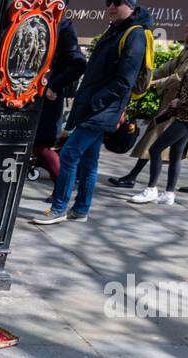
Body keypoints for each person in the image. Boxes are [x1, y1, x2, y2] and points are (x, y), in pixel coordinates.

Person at [30, 0, 151, 225]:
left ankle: (59, 207)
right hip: (96, 108)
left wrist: (96, 102)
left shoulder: (135, 34)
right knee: (88, 160)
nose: (111, 6)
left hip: (101, 110)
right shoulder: (118, 29)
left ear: (131, 5)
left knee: (68, 155)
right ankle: (81, 209)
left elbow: (125, 81)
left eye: (118, 2)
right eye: (109, 2)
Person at [107, 11, 188, 192]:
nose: (187, 26)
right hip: (178, 105)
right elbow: (168, 68)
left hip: (180, 108)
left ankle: (143, 183)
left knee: (155, 143)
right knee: (177, 150)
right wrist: (146, 79)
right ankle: (184, 184)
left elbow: (182, 79)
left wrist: (155, 86)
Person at [32, 17, 86, 182]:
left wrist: (54, 86)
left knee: (42, 147)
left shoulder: (63, 25)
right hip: (27, 94)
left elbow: (78, 64)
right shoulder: (33, 17)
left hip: (46, 98)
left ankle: (62, 191)